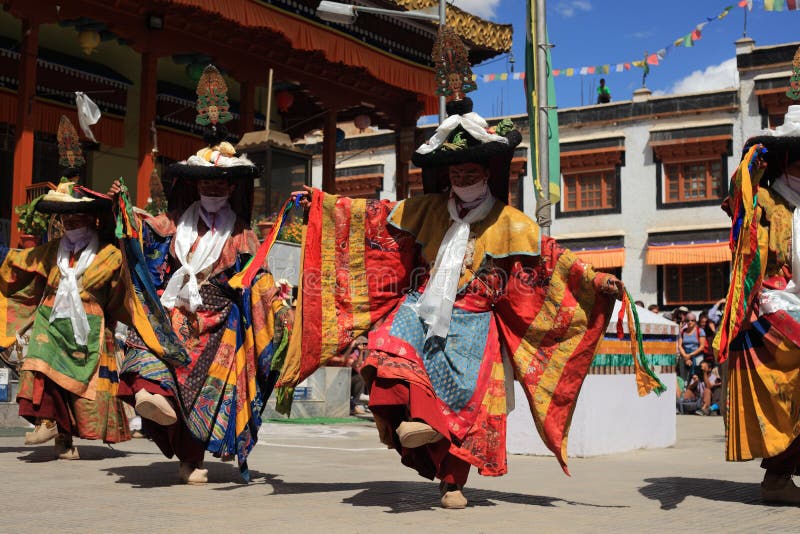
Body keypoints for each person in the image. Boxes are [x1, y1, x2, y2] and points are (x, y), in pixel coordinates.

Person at [267, 31, 658, 510]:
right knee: (386, 339)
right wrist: (322, 206)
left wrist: (599, 281)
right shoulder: (428, 210)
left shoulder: (512, 222)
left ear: (488, 172)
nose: (462, 179)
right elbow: (372, 218)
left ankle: (451, 481)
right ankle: (408, 423)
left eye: (470, 171)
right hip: (424, 305)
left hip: (475, 318)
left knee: (470, 401)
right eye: (455, 173)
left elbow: (554, 261)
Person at [114, 65, 272, 484]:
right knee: (147, 345)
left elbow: (259, 277)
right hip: (173, 310)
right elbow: (142, 233)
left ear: (233, 189)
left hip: (217, 323)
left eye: (220, 186)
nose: (213, 192)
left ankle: (191, 460)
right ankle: (150, 395)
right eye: (206, 186)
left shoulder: (243, 234)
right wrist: (122, 209)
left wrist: (276, 300)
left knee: (202, 393)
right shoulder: (171, 222)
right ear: (195, 188)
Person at [0, 176, 134, 459]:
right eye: (66, 220)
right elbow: (22, 261)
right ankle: (46, 422)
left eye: (77, 220)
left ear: (92, 221)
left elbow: (117, 288)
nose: (70, 225)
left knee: (75, 387)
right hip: (50, 317)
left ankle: (65, 437)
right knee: (38, 361)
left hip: (88, 325)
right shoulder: (52, 250)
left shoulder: (108, 253)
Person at [716, 101, 800, 504]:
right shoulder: (765, 201)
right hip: (773, 306)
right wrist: (750, 170)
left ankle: (781, 476)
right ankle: (778, 477)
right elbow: (737, 203)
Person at [678, 313, 706, 380]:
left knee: (696, 378)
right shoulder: (682, 332)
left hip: (697, 358)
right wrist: (685, 357)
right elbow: (679, 346)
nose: (690, 322)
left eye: (692, 320)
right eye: (688, 320)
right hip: (684, 357)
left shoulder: (700, 331)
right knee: (684, 378)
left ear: (695, 321)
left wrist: (690, 355)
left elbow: (702, 347)